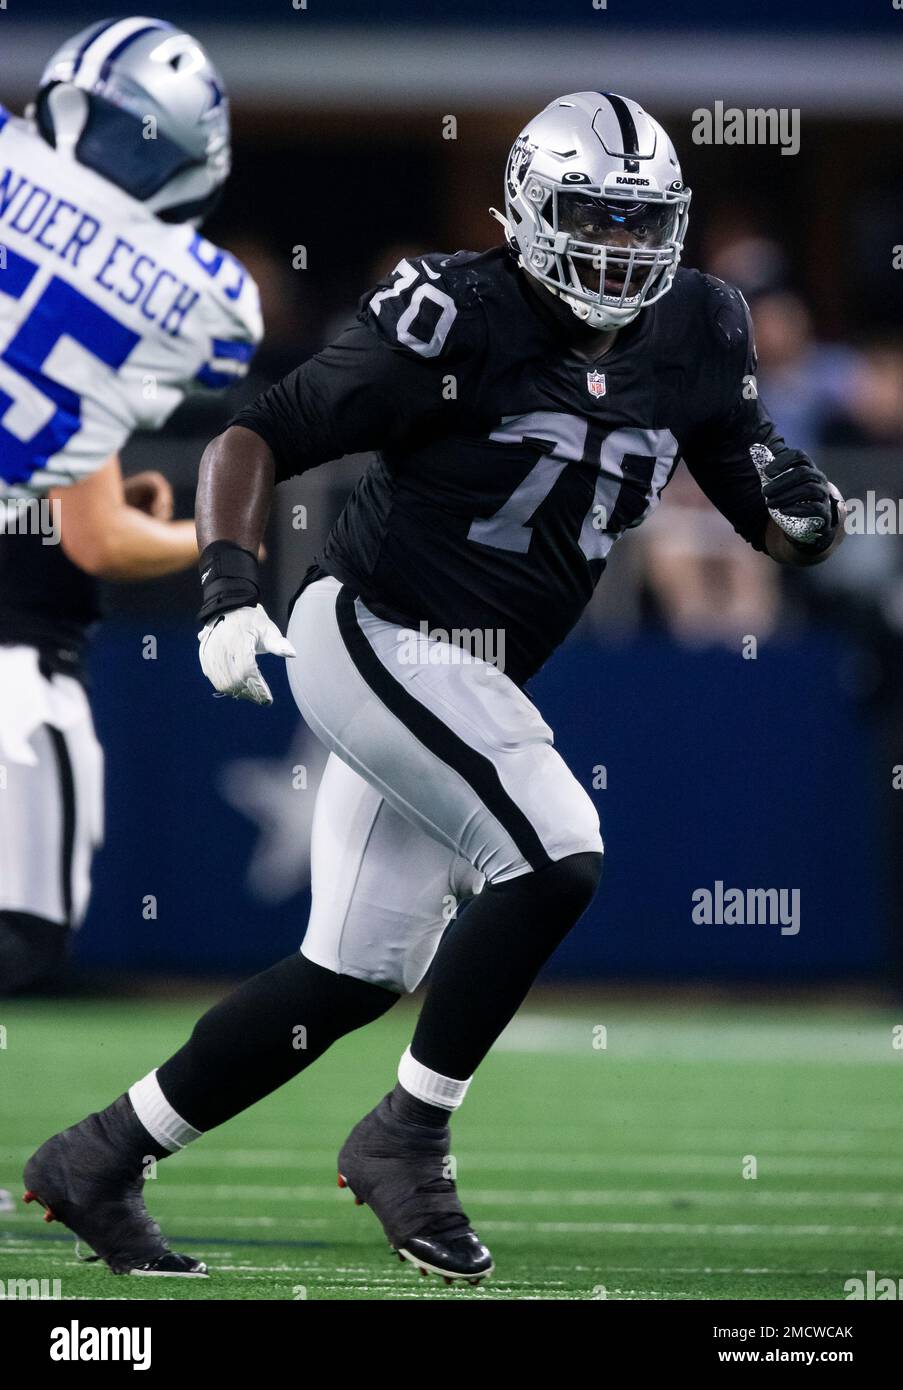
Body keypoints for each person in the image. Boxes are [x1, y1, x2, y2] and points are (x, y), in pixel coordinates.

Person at [25, 91, 845, 1285]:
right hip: (378, 627)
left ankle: (96, 1156)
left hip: (478, 669)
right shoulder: (453, 313)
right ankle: (407, 1132)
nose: (617, 251)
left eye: (638, 224)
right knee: (558, 847)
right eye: (590, 218)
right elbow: (257, 436)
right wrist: (224, 584)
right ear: (525, 209)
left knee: (352, 972)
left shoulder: (702, 324)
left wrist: (799, 510)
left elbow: (746, 476)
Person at [0, 17, 262, 993]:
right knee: (23, 931)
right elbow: (101, 537)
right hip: (17, 653)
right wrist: (212, 536)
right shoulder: (171, 299)